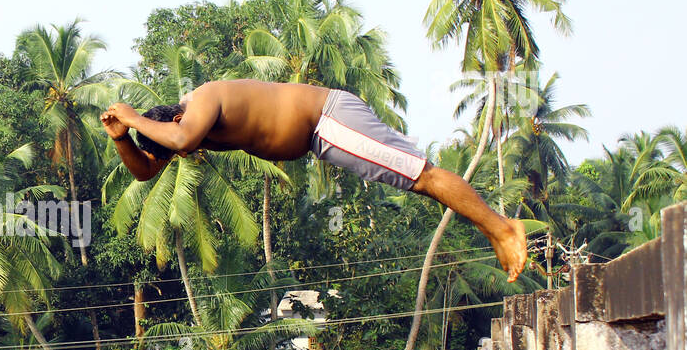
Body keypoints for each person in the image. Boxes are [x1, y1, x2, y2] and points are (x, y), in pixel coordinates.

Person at [100, 79, 527, 281]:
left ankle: (503, 228)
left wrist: (134, 115)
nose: (182, 153)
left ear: (174, 117)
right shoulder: (182, 128)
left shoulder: (203, 102)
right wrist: (123, 139)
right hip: (322, 137)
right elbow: (146, 169)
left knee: (421, 176)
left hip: (329, 119)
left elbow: (181, 137)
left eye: (172, 139)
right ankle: (495, 229)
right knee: (417, 179)